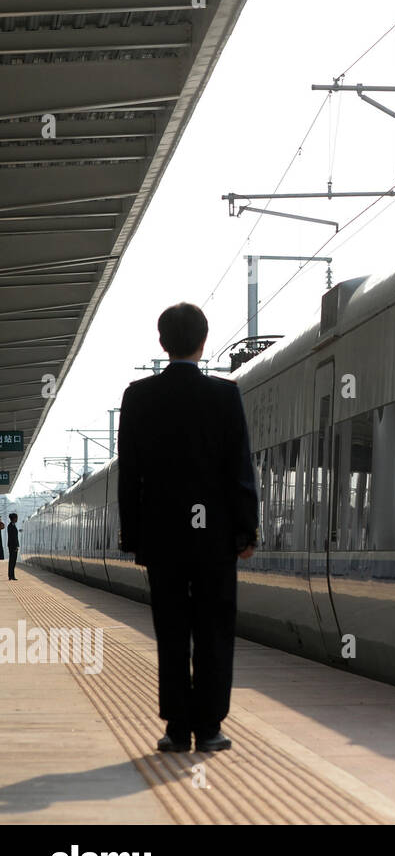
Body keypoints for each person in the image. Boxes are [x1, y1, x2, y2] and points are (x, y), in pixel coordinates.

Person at [117, 302, 258, 754]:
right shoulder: (224, 395)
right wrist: (245, 532)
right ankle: (210, 727)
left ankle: (177, 728)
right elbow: (240, 471)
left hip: (163, 538)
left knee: (172, 630)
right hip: (215, 538)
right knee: (215, 628)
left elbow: (130, 475)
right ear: (203, 342)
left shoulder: (138, 397)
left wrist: (133, 536)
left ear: (163, 343)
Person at [6, 514, 16, 580]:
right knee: (12, 561)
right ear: (14, 518)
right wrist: (15, 546)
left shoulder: (12, 525)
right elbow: (13, 537)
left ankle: (12, 576)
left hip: (13, 545)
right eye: (16, 518)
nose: (17, 519)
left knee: (13, 561)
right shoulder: (10, 526)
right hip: (12, 546)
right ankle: (11, 576)